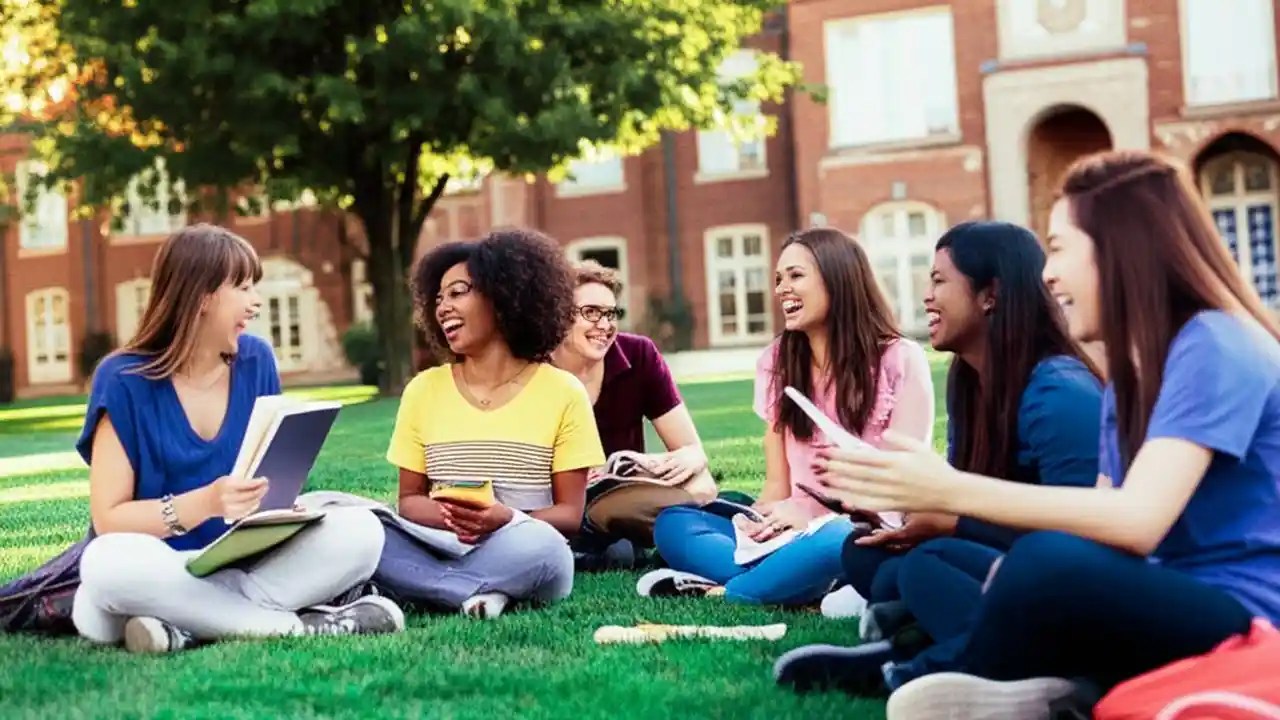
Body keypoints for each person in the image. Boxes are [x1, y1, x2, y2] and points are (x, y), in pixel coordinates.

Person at [813, 150, 1280, 719]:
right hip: (1164, 596)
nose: (1048, 274)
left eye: (1058, 248)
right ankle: (1034, 679)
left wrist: (950, 493)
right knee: (1000, 566)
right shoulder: (1133, 377)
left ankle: (924, 671)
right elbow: (1104, 528)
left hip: (1247, 618)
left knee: (1045, 564)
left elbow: (1137, 520)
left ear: (1120, 247)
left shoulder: (1215, 343)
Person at [773, 220, 1103, 693]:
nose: (926, 296)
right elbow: (967, 502)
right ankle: (935, 629)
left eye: (939, 281)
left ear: (989, 295)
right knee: (867, 556)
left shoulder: (1058, 391)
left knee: (929, 566)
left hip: (1057, 573)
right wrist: (907, 518)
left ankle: (920, 661)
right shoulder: (967, 381)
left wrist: (953, 523)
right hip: (1001, 555)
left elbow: (1081, 536)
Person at [71, 223, 403, 654]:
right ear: (202, 296)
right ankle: (294, 627)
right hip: (157, 564)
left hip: (242, 563)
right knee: (104, 565)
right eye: (243, 287)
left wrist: (281, 508)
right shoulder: (121, 378)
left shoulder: (256, 359)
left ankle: (189, 625)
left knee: (361, 530)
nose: (256, 302)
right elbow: (109, 519)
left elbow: (265, 476)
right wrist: (206, 503)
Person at [635, 227, 934, 606]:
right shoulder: (776, 361)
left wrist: (811, 511)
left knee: (837, 537)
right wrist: (764, 520)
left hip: (865, 523)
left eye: (795, 276)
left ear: (837, 277)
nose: (780, 289)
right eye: (778, 279)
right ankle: (800, 579)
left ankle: (730, 593)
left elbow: (904, 482)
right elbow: (778, 487)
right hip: (792, 530)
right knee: (673, 523)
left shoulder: (901, 358)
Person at [378, 228, 606, 619]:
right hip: (439, 543)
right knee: (361, 525)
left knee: (546, 551)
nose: (443, 307)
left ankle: (427, 587)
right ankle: (479, 591)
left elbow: (569, 515)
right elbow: (409, 502)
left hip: (523, 543)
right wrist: (457, 518)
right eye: (438, 298)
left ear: (503, 295)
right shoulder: (422, 390)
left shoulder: (563, 391)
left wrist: (505, 519)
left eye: (458, 292)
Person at [550, 261, 715, 562]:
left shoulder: (639, 354)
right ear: (559, 316)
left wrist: (655, 462)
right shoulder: (536, 371)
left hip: (626, 495)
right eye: (591, 313)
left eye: (611, 313)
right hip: (561, 504)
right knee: (620, 544)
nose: (605, 325)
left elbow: (692, 452)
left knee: (700, 483)